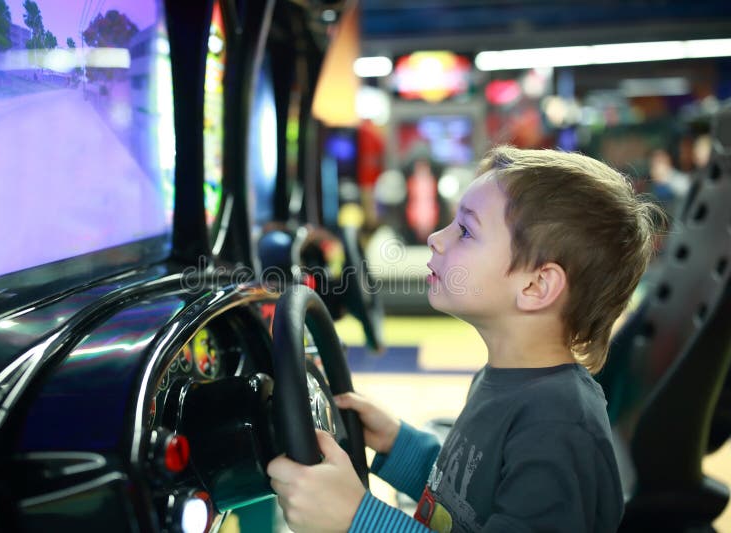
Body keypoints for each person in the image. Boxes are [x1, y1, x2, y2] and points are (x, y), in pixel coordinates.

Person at [267, 145, 664, 532]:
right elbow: (467, 503)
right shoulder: (504, 379)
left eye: (466, 231)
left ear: (537, 285)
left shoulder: (558, 425)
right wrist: (398, 442)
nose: (437, 238)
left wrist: (358, 519)